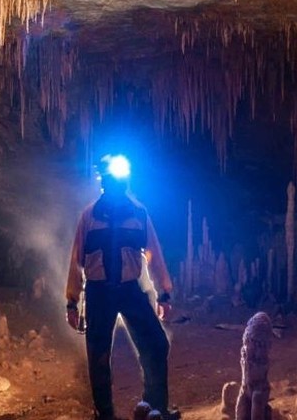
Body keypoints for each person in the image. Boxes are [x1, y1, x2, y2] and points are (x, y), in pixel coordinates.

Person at [66, 155, 177, 420]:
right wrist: (72, 301)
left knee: (156, 344)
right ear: (103, 180)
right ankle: (104, 414)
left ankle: (154, 408)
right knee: (99, 354)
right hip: (99, 291)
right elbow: (77, 261)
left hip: (129, 289)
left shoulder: (138, 213)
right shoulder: (89, 216)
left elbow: (153, 254)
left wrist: (164, 291)